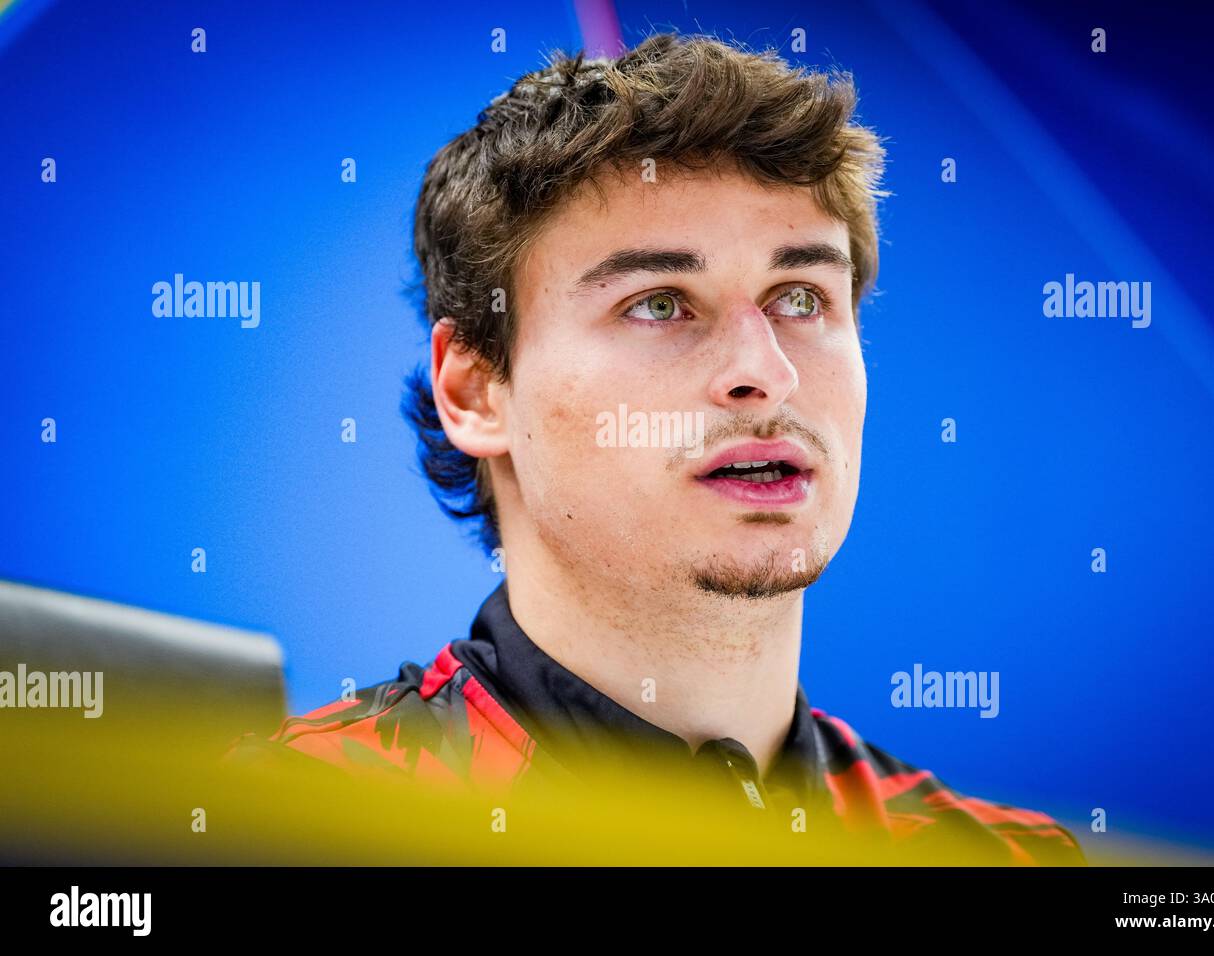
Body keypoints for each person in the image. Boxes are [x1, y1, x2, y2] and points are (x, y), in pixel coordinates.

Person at [227, 31, 1085, 866]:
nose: (766, 372)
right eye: (661, 304)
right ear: (476, 390)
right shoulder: (290, 826)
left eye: (799, 297)